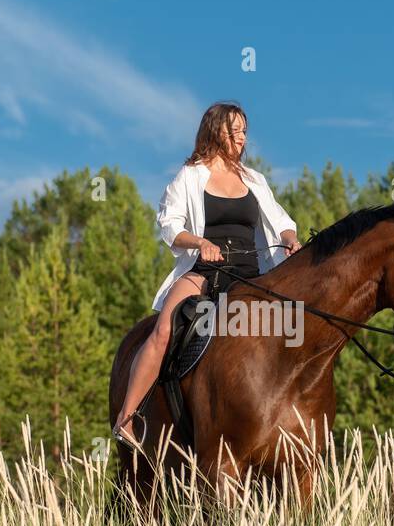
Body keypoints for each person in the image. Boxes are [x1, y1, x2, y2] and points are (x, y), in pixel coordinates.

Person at [113, 101, 301, 445]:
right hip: (205, 272)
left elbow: (281, 220)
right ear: (217, 132)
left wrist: (290, 239)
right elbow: (169, 224)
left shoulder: (254, 179)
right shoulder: (191, 175)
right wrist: (199, 242)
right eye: (236, 131)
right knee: (163, 330)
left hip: (252, 275)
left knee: (294, 327)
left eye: (245, 131)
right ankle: (127, 418)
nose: (243, 138)